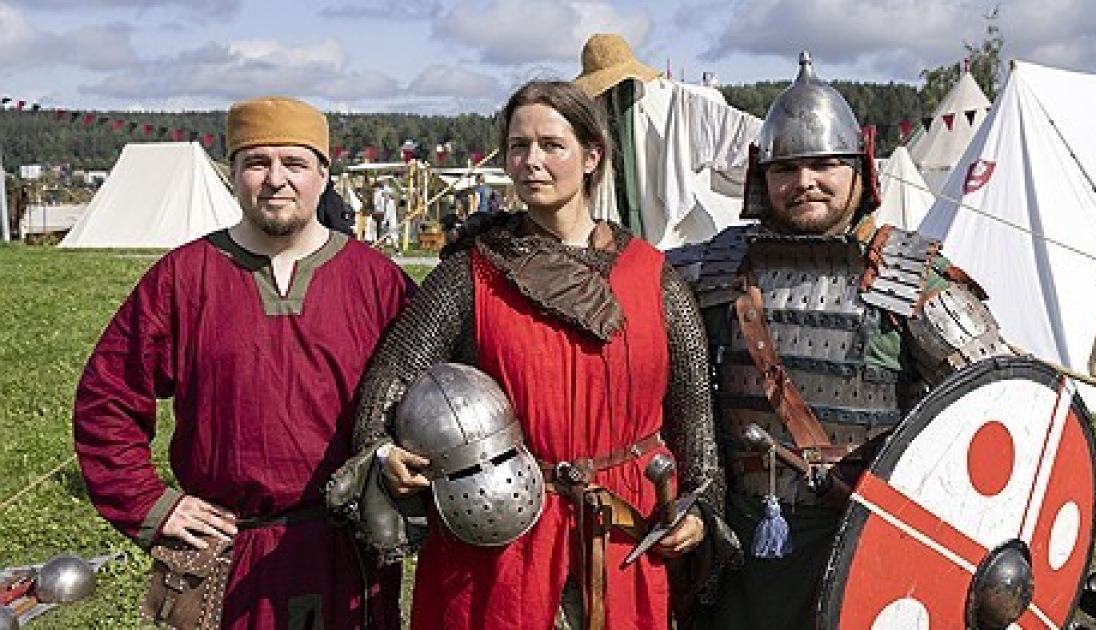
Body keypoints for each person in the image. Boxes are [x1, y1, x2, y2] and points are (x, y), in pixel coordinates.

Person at [346, 80, 735, 630]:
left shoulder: (654, 277)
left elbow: (693, 413)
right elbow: (391, 380)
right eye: (518, 146)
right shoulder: (471, 274)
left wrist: (698, 506)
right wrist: (383, 451)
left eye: (552, 145)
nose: (532, 161)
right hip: (503, 531)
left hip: (624, 529)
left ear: (592, 156)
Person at [669, 53, 1013, 630]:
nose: (804, 182)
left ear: (859, 170)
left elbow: (993, 406)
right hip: (742, 544)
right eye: (786, 168)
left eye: (824, 164)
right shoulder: (713, 268)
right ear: (761, 178)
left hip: (865, 538)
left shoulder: (908, 274)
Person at [72, 95, 418, 629]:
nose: (276, 180)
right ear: (232, 174)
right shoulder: (183, 279)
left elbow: (434, 401)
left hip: (347, 552)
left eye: (295, 163)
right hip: (226, 558)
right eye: (257, 163)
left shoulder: (376, 282)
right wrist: (151, 503)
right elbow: (107, 399)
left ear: (323, 175)